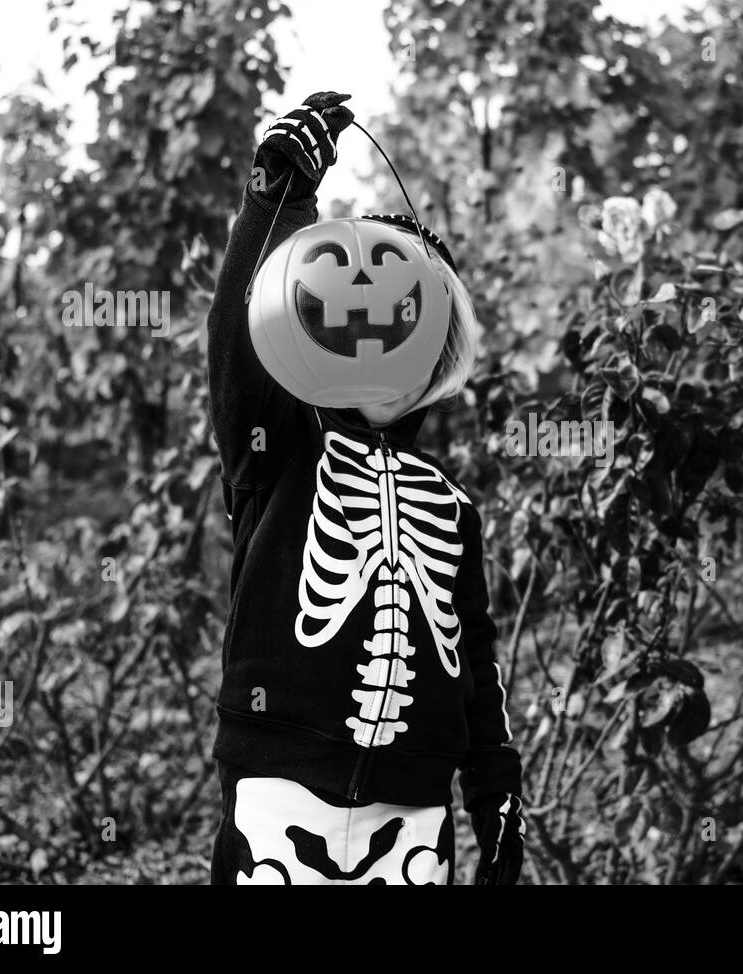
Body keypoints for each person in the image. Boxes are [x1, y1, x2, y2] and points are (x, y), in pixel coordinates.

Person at [205, 91, 523, 885]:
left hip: (412, 814)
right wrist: (277, 196)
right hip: (280, 798)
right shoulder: (277, 458)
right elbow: (238, 344)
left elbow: (477, 665)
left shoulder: (452, 507)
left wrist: (496, 797)